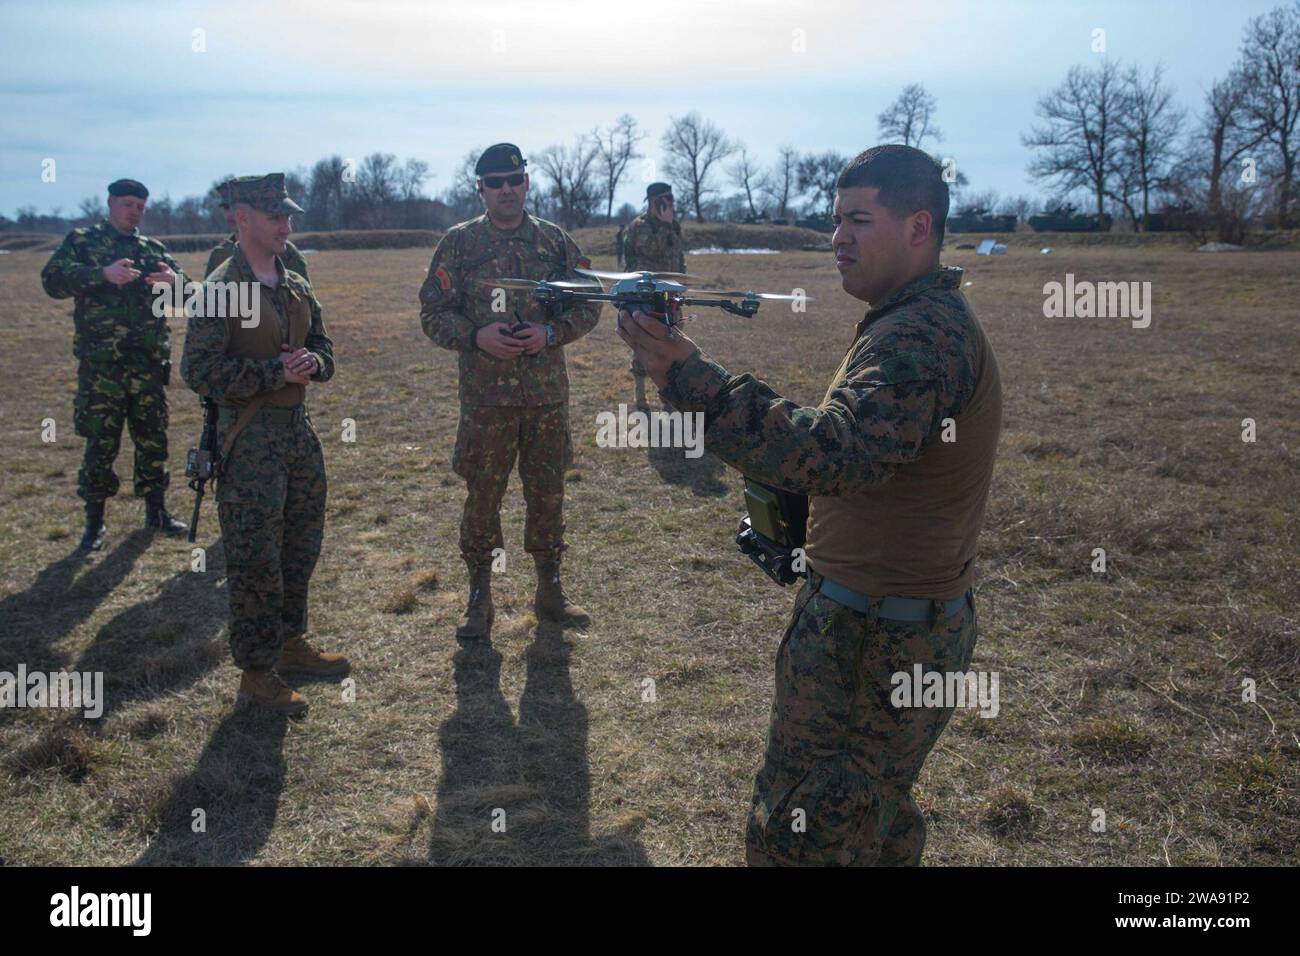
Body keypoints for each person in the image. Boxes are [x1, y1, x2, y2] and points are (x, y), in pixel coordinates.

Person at [618, 145, 1003, 866]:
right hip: (885, 623)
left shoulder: (920, 334)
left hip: (874, 641)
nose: (838, 238)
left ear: (919, 228)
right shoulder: (911, 317)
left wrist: (689, 376)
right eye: (835, 221)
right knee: (872, 824)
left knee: (808, 832)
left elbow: (835, 451)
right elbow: (873, 467)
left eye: (858, 220)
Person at [181, 173, 349, 717]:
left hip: (298, 435)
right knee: (255, 558)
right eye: (274, 215)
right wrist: (271, 372)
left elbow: (323, 342)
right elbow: (198, 370)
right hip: (248, 441)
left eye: (288, 215)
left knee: (300, 544)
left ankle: (291, 643)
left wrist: (312, 363)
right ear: (242, 218)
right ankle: (256, 671)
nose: (286, 224)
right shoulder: (221, 289)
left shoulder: (293, 279)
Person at [419, 143, 601, 640]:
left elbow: (589, 303)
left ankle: (551, 588)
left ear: (527, 183)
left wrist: (550, 333)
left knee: (548, 495)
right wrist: (476, 336)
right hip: (486, 402)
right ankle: (480, 596)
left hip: (545, 397)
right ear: (479, 188)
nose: (506, 189)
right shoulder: (458, 245)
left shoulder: (554, 241)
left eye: (514, 180)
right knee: (483, 496)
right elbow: (433, 313)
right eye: (495, 182)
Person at [41, 178, 190, 550]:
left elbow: (188, 295)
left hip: (147, 366)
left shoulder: (152, 248)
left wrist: (174, 282)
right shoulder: (84, 242)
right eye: (127, 204)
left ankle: (156, 511)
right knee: (101, 442)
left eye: (140, 206)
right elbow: (52, 281)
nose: (134, 211)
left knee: (153, 440)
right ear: (110, 204)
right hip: (102, 367)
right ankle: (94, 523)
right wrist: (101, 274)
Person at [622, 183, 686, 382]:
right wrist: (665, 225)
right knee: (643, 342)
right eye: (667, 199)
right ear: (655, 202)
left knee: (673, 339)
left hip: (670, 292)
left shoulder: (673, 225)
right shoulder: (639, 226)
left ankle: (669, 393)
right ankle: (640, 394)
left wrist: (682, 280)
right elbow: (651, 250)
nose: (671, 204)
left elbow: (678, 254)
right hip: (647, 294)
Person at [204, 176, 311, 280]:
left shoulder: (288, 255)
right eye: (227, 208)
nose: (232, 214)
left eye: (287, 218)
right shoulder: (219, 256)